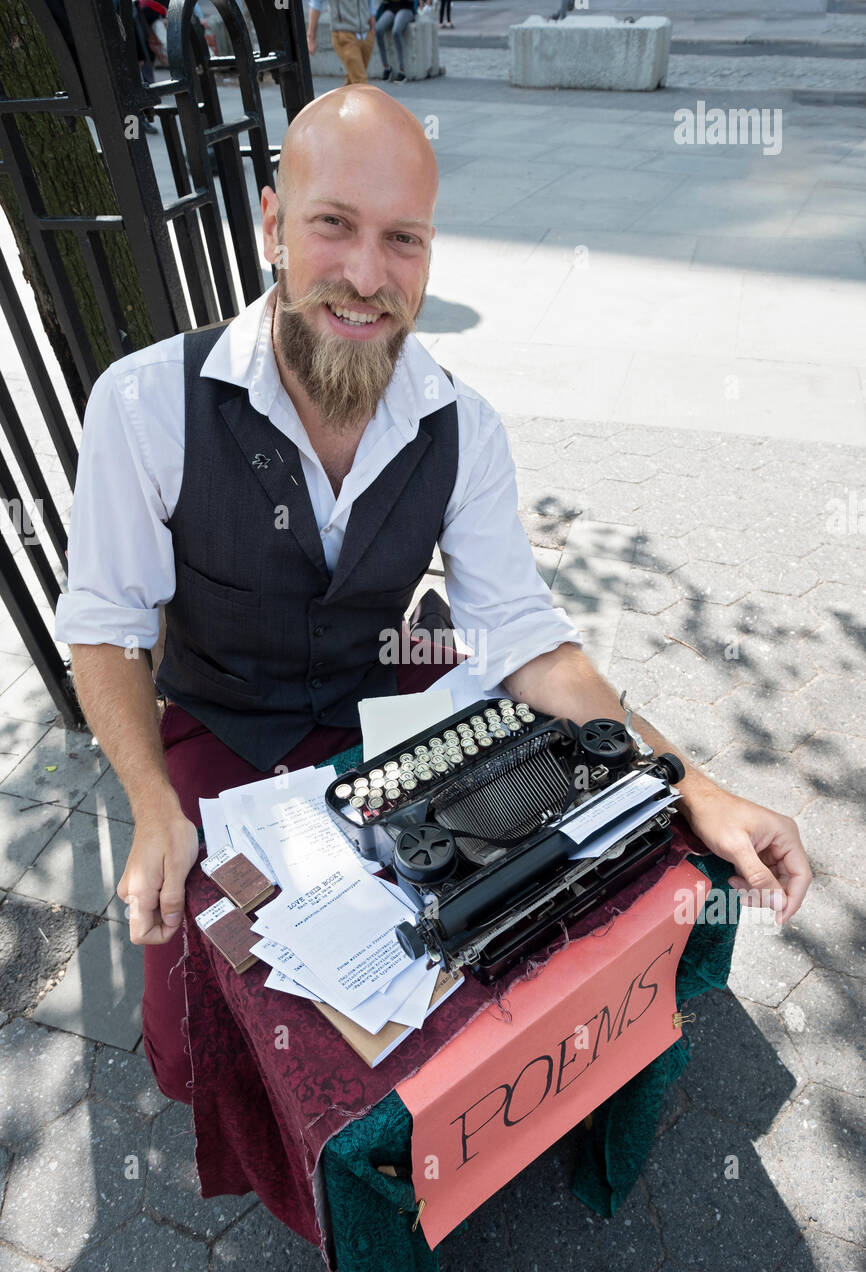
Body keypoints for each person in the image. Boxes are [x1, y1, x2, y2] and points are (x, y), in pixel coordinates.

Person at [56, 87, 811, 1108]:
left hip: (392, 722)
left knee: (514, 926)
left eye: (401, 239)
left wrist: (695, 785)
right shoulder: (144, 403)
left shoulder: (464, 424)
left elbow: (527, 643)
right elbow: (103, 632)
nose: (366, 276)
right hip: (220, 728)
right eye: (333, 226)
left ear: (429, 253)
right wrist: (149, 804)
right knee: (193, 1040)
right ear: (272, 227)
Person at [307, 0, 377, 85]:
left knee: (352, 81)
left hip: (366, 33)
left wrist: (372, 29)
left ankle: (343, 98)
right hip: (344, 34)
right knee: (361, 82)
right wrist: (311, 36)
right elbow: (316, 3)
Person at [375, 0, 417, 82]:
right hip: (391, 8)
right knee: (378, 29)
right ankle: (386, 67)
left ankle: (402, 71)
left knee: (396, 31)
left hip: (406, 8)